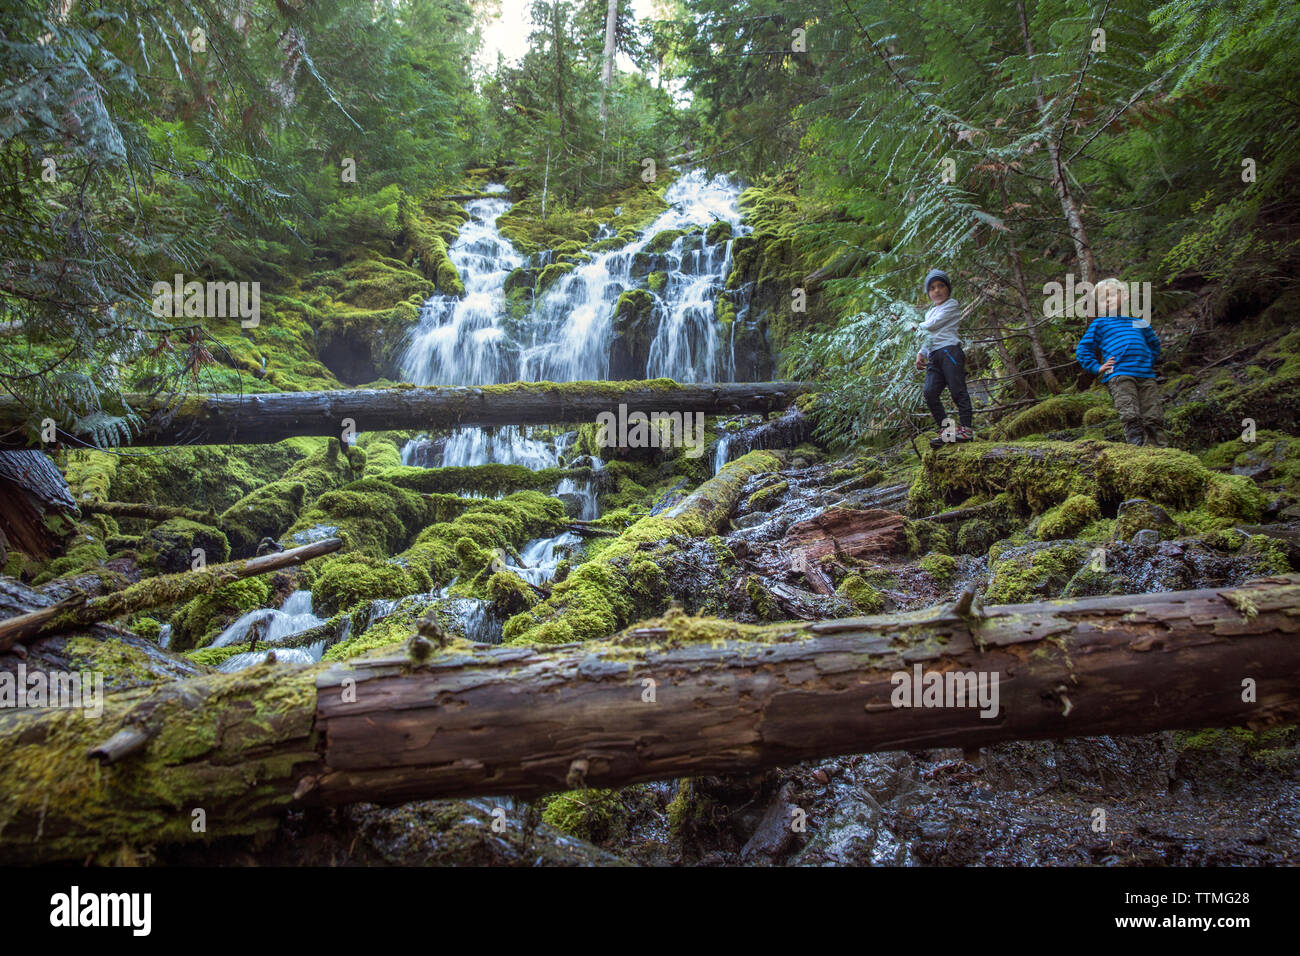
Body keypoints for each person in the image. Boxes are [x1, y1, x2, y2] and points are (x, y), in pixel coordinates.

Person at [1074, 277, 1167, 447]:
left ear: (1124, 296)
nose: (1107, 300)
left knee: (1153, 414)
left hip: (1145, 374)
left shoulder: (1140, 323)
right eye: (1102, 299)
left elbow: (1154, 345)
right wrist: (1097, 367)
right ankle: (1136, 449)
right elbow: (1082, 349)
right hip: (1119, 375)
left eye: (1110, 295)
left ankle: (1159, 448)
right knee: (1130, 413)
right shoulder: (1100, 324)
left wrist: (1147, 361)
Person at [915, 268, 974, 446]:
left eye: (941, 286)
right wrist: (921, 353)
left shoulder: (951, 305)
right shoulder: (928, 313)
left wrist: (913, 325)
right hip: (934, 355)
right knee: (930, 392)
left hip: (950, 351)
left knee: (957, 390)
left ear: (947, 288)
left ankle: (966, 430)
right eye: (932, 288)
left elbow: (934, 325)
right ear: (928, 293)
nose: (937, 290)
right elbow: (928, 336)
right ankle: (946, 431)